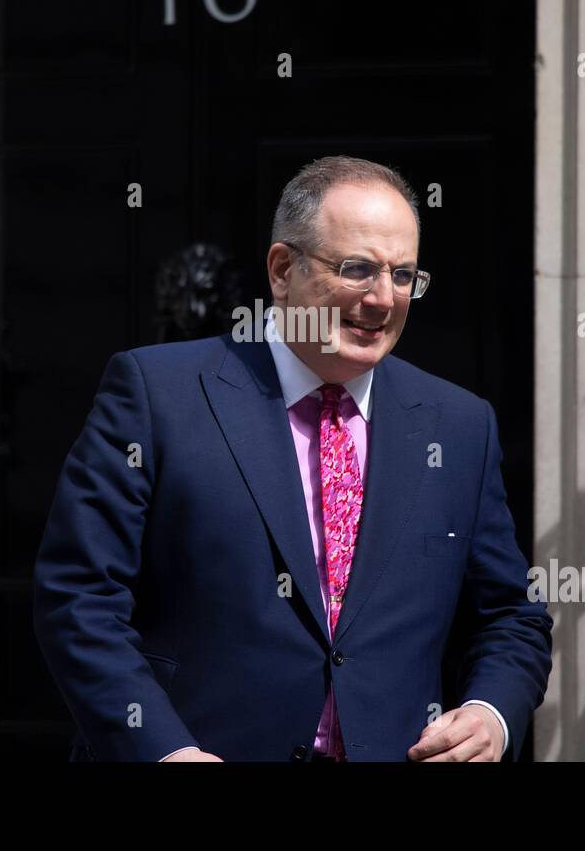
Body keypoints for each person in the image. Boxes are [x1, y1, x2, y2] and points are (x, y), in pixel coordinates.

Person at [32, 155, 552, 762]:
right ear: (283, 270)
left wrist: (491, 716)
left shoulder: (459, 425)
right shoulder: (157, 394)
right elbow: (79, 599)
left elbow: (510, 617)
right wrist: (164, 751)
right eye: (357, 269)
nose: (384, 299)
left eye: (405, 275)